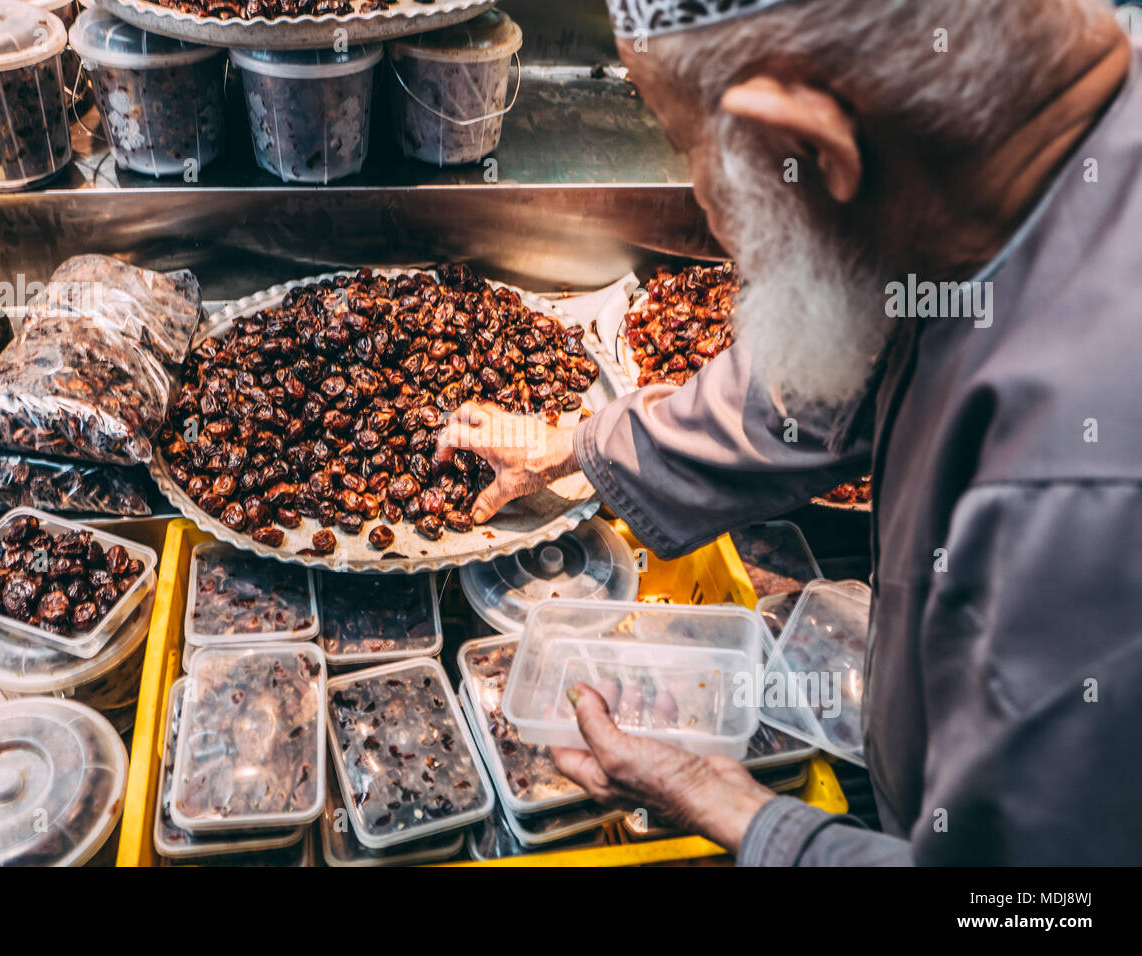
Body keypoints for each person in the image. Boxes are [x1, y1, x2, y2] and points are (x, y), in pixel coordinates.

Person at [436, 0, 1142, 865]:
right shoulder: (997, 178)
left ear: (813, 148)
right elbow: (835, 377)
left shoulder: (1075, 489)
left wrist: (736, 811)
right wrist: (581, 447)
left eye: (687, 148)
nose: (701, 195)